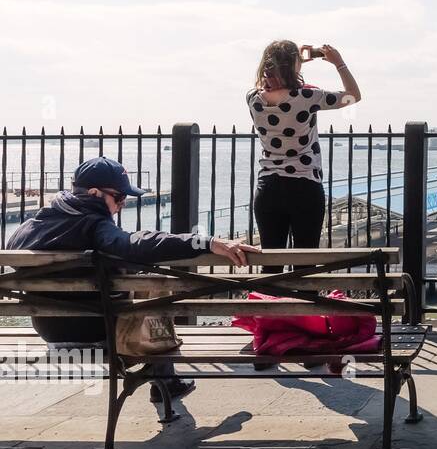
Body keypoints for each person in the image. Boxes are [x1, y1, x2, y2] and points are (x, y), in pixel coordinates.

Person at [5, 157, 257, 403]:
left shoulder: (26, 229)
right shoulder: (94, 225)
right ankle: (167, 382)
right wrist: (206, 242)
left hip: (50, 333)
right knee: (154, 287)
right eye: (119, 197)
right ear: (93, 193)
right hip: (101, 337)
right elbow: (135, 245)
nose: (122, 204)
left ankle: (166, 383)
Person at [247, 41, 361, 249]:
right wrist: (339, 63)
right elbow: (353, 95)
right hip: (304, 186)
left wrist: (294, 64)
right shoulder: (308, 97)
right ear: (292, 67)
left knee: (271, 265)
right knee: (305, 262)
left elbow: (276, 88)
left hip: (268, 189)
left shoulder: (253, 99)